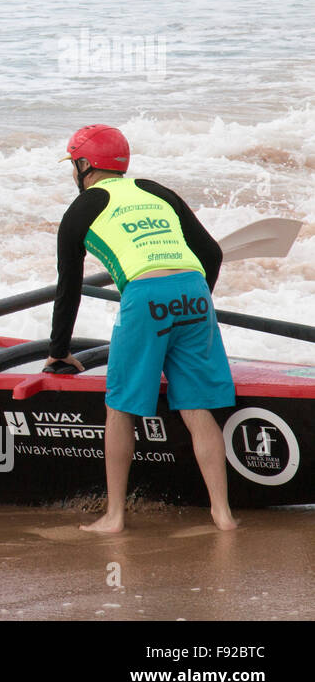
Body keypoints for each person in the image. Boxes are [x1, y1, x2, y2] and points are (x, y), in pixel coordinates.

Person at [46, 125, 237, 533]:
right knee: (196, 406)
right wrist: (195, 306)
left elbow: (68, 288)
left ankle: (114, 517)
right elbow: (212, 254)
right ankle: (223, 515)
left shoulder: (82, 209)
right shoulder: (155, 190)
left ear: (83, 165)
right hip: (194, 291)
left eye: (73, 165)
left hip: (145, 295)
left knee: (121, 406)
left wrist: (58, 351)